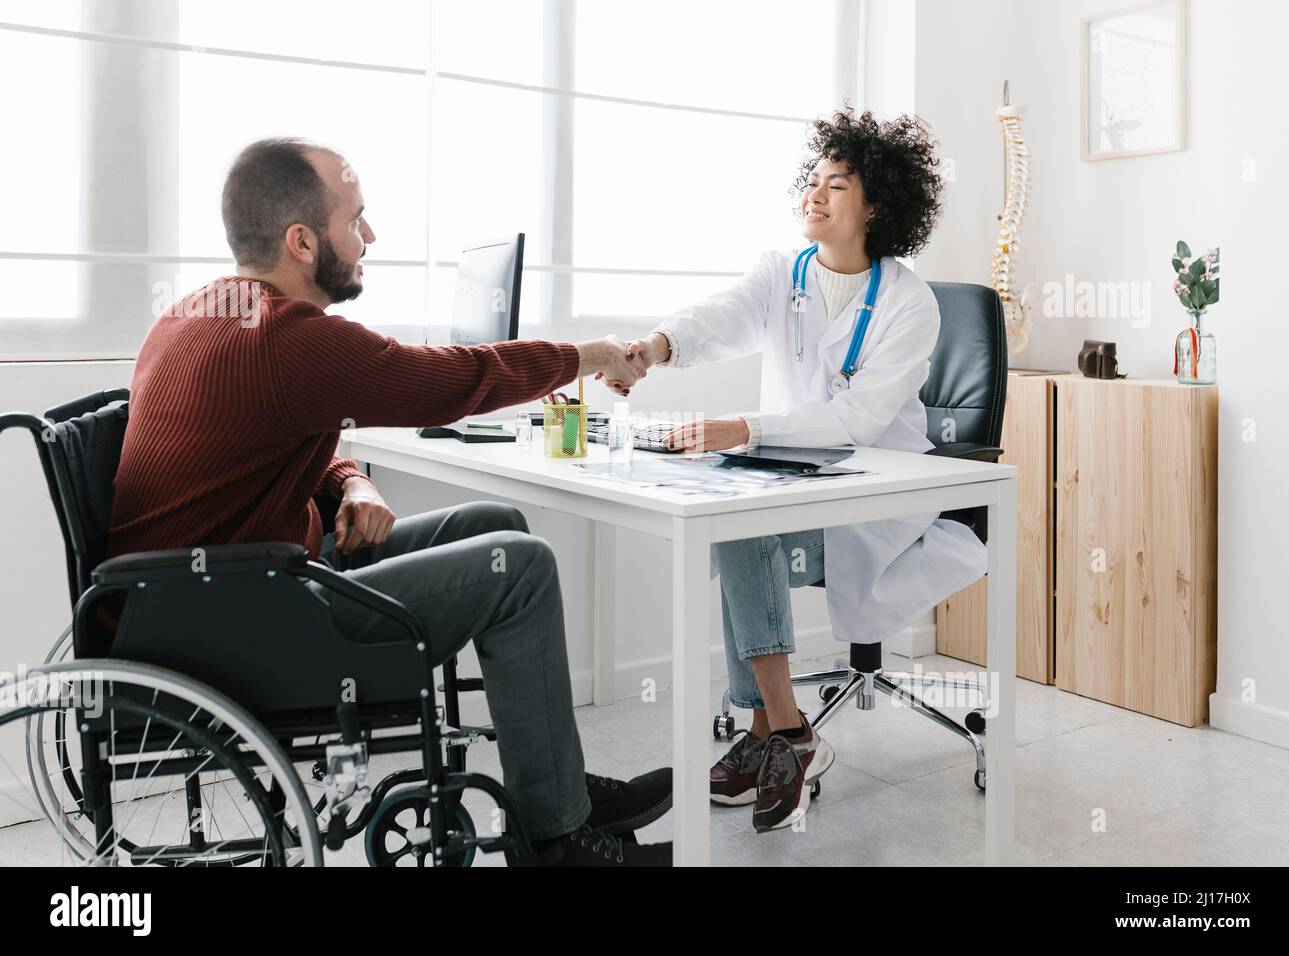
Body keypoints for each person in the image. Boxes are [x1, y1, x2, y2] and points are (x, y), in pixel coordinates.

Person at [104, 137, 671, 866]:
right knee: (520, 567)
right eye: (357, 220)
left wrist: (352, 481)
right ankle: (560, 841)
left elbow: (274, 428)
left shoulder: (200, 310)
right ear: (303, 240)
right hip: (237, 623)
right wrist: (585, 356)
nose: (370, 236)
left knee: (494, 525)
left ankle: (558, 791)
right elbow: (447, 380)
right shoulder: (288, 339)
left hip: (210, 595)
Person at [604, 108, 988, 833]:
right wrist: (651, 349)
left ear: (877, 206)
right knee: (734, 518)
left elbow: (857, 425)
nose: (814, 195)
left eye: (835, 185)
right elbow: (720, 317)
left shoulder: (911, 305)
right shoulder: (784, 273)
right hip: (790, 477)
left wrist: (741, 426)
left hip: (878, 492)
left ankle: (764, 736)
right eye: (812, 181)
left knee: (743, 527)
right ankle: (785, 730)